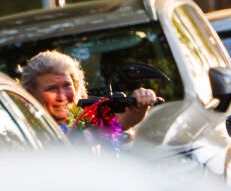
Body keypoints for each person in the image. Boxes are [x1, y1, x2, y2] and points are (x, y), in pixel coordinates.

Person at [19, 50, 160, 140]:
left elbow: (120, 123)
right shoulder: (23, 128)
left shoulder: (79, 117)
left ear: (76, 85)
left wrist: (140, 104)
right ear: (31, 94)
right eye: (52, 89)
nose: (62, 96)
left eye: (67, 86)